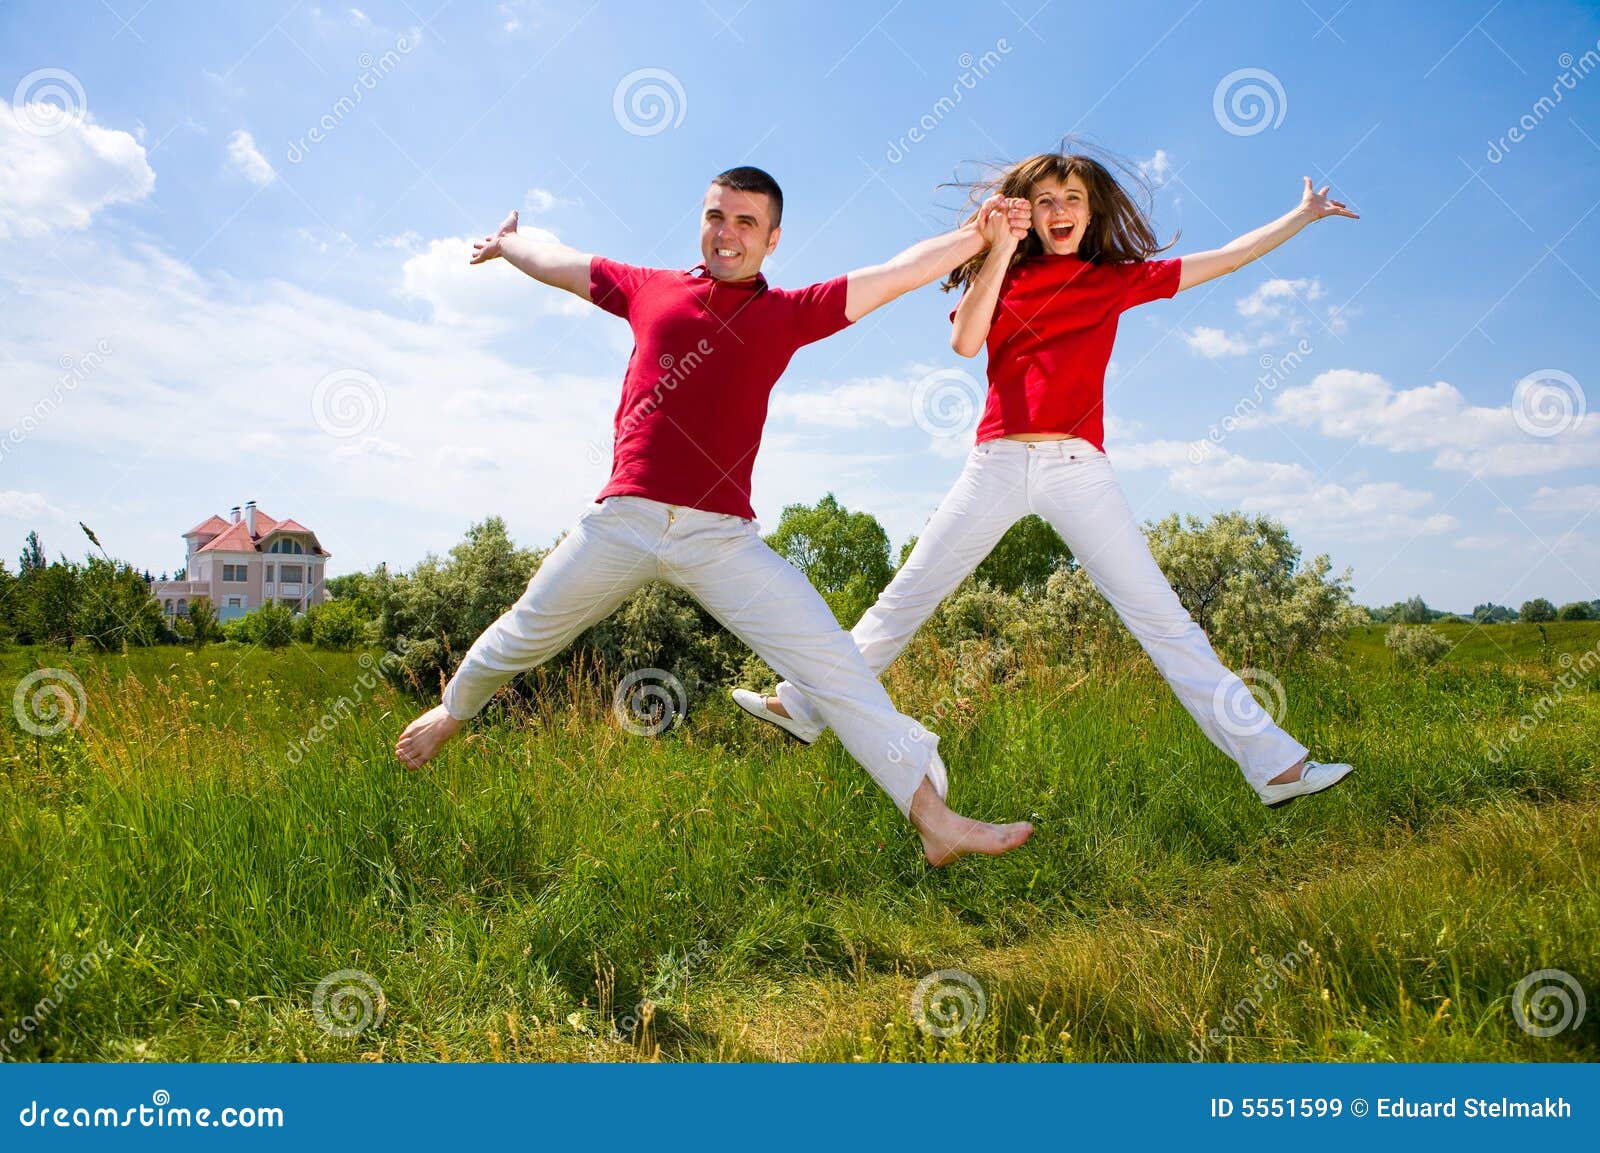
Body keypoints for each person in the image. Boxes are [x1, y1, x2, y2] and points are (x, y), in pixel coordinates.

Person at [395, 166, 1038, 865]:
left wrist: (976, 236)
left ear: (772, 239)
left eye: (745, 223)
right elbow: (562, 264)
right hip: (625, 520)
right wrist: (510, 245)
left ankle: (934, 820)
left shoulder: (788, 313)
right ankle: (452, 709)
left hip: (720, 538)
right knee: (528, 629)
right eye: (716, 216)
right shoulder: (650, 288)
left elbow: (897, 273)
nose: (726, 234)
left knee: (834, 666)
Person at [734, 151, 1358, 809]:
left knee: (1164, 622)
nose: (1060, 212)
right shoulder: (1001, 276)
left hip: (1077, 468)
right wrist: (999, 247)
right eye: (1047, 201)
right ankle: (804, 703)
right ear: (1027, 212)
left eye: (1074, 199)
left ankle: (1275, 768)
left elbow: (1228, 257)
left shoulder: (1113, 280)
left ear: (1093, 213)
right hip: (997, 463)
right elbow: (965, 343)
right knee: (907, 595)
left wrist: (1302, 214)